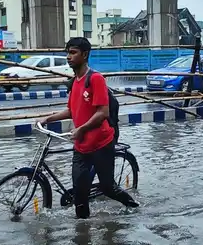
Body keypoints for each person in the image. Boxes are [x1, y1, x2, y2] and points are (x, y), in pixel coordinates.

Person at [39, 37, 140, 219]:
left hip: (101, 144)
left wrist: (82, 129)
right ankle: (83, 237)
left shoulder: (95, 79)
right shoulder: (75, 81)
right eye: (67, 52)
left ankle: (133, 205)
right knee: (79, 193)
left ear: (84, 55)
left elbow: (102, 112)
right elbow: (71, 110)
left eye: (73, 53)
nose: (68, 57)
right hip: (81, 146)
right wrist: (48, 118)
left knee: (107, 187)